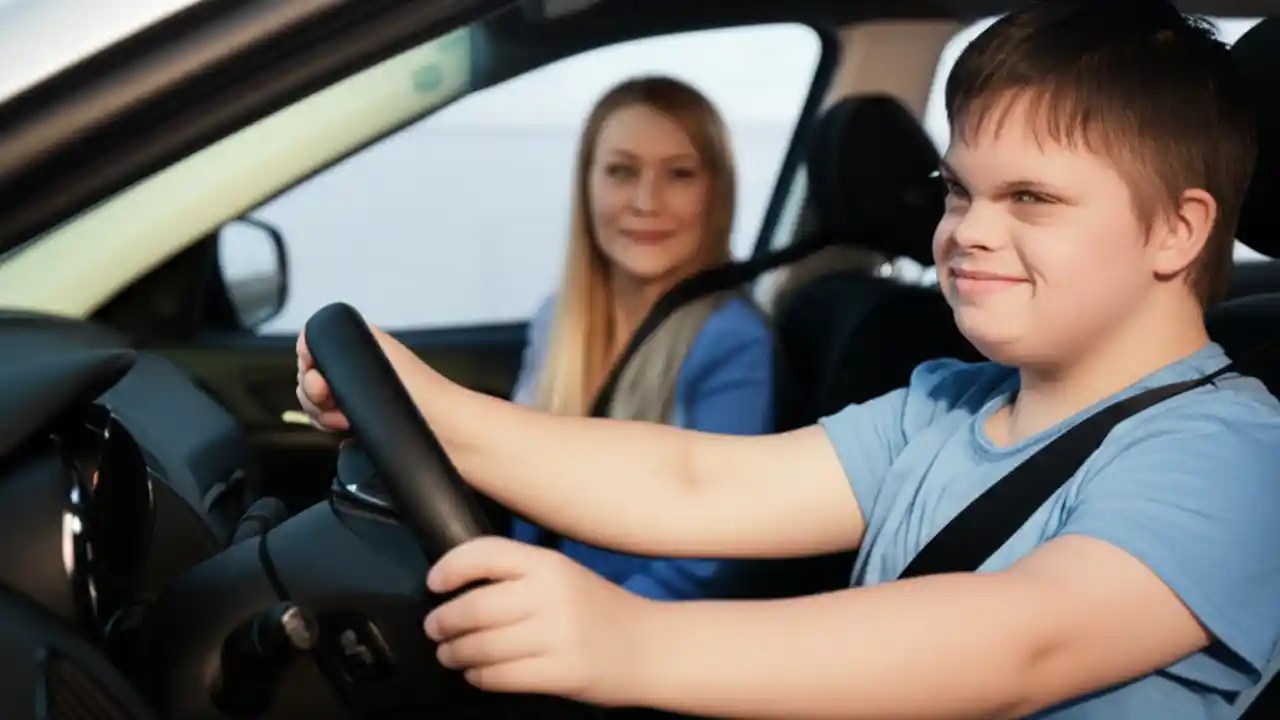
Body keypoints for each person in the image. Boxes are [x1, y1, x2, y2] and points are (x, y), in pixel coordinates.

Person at [296, 2, 1280, 717]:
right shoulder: (942, 408)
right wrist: (428, 405)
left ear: (1174, 232)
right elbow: (689, 482)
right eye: (956, 192)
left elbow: (1022, 636)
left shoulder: (1230, 452)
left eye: (1029, 198)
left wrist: (634, 643)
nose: (967, 231)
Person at [507, 76, 777, 600]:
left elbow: (711, 558)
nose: (646, 201)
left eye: (678, 175)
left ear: (715, 193)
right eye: (621, 172)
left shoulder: (732, 341)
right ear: (587, 184)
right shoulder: (556, 320)